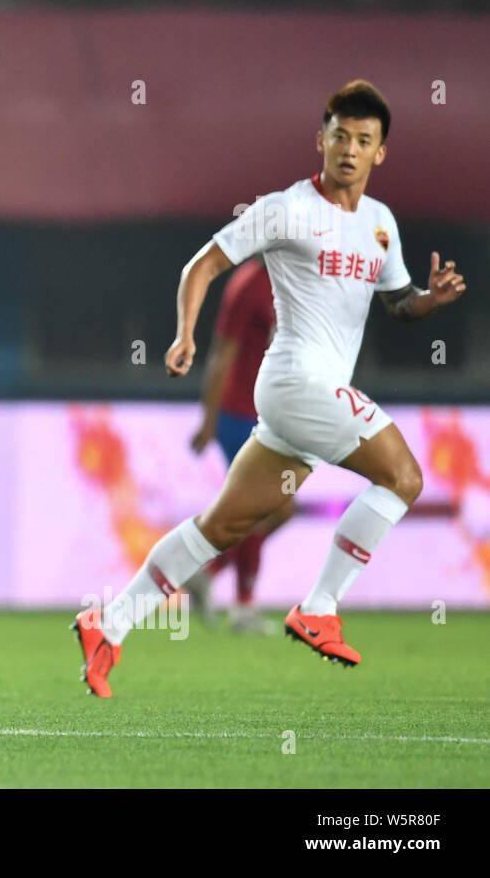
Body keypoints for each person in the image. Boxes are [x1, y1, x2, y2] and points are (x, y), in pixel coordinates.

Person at [74, 80, 466, 696]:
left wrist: (429, 300)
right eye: (340, 135)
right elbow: (200, 265)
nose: (350, 149)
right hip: (294, 381)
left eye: (364, 141)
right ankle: (319, 607)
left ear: (380, 153)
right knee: (404, 478)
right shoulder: (286, 209)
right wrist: (185, 337)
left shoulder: (381, 225)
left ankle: (109, 623)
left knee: (222, 527)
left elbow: (396, 305)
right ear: (321, 139)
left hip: (303, 405)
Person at [185, 256, 291, 633]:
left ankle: (209, 575)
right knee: (265, 507)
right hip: (239, 413)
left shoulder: (294, 279)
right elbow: (223, 352)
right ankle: (243, 609)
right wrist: (209, 419)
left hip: (268, 414)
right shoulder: (248, 285)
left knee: (275, 510)